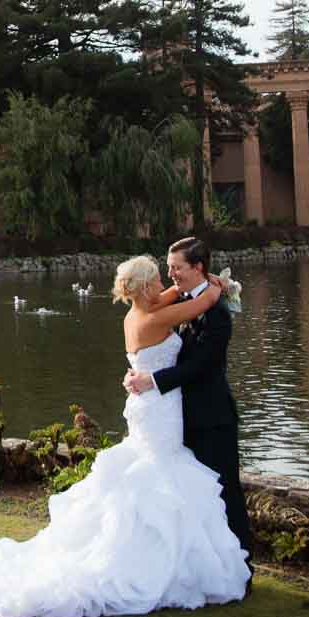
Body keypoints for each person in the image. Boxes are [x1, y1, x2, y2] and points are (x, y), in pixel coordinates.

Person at [0, 256, 251, 617]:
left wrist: (200, 280)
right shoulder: (156, 317)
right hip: (157, 409)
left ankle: (173, 554)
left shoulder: (137, 314)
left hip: (150, 406)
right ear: (146, 287)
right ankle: (158, 560)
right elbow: (203, 303)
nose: (163, 284)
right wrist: (217, 285)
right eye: (157, 279)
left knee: (156, 473)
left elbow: (173, 295)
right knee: (160, 473)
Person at [122, 238, 255, 557]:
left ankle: (240, 563)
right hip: (174, 415)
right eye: (166, 270)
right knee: (188, 492)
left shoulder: (217, 314)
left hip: (211, 417)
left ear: (197, 267)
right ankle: (196, 559)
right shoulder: (169, 308)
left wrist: (148, 378)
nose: (170, 276)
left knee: (225, 492)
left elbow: (202, 364)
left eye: (176, 267)